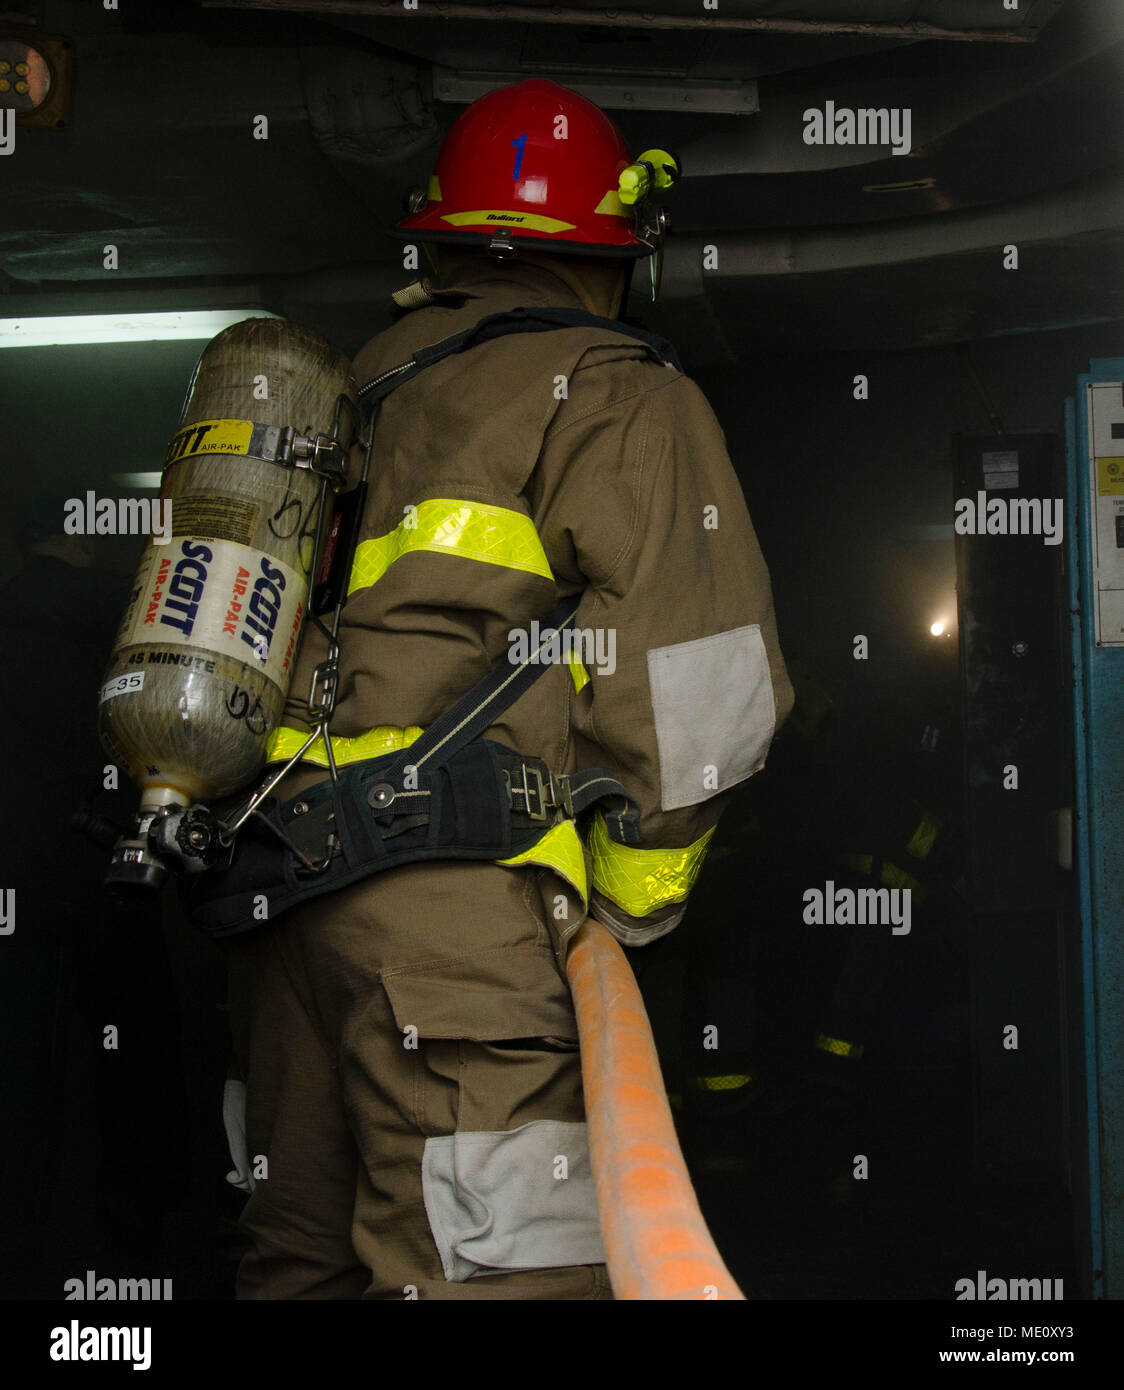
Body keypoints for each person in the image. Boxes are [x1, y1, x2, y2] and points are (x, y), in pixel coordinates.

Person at [222, 77, 794, 1300]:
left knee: (295, 1263)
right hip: (458, 941)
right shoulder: (620, 393)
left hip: (285, 905)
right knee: (497, 1281)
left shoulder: (347, 393)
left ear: (433, 239)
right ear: (614, 254)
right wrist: (625, 911)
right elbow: (695, 695)